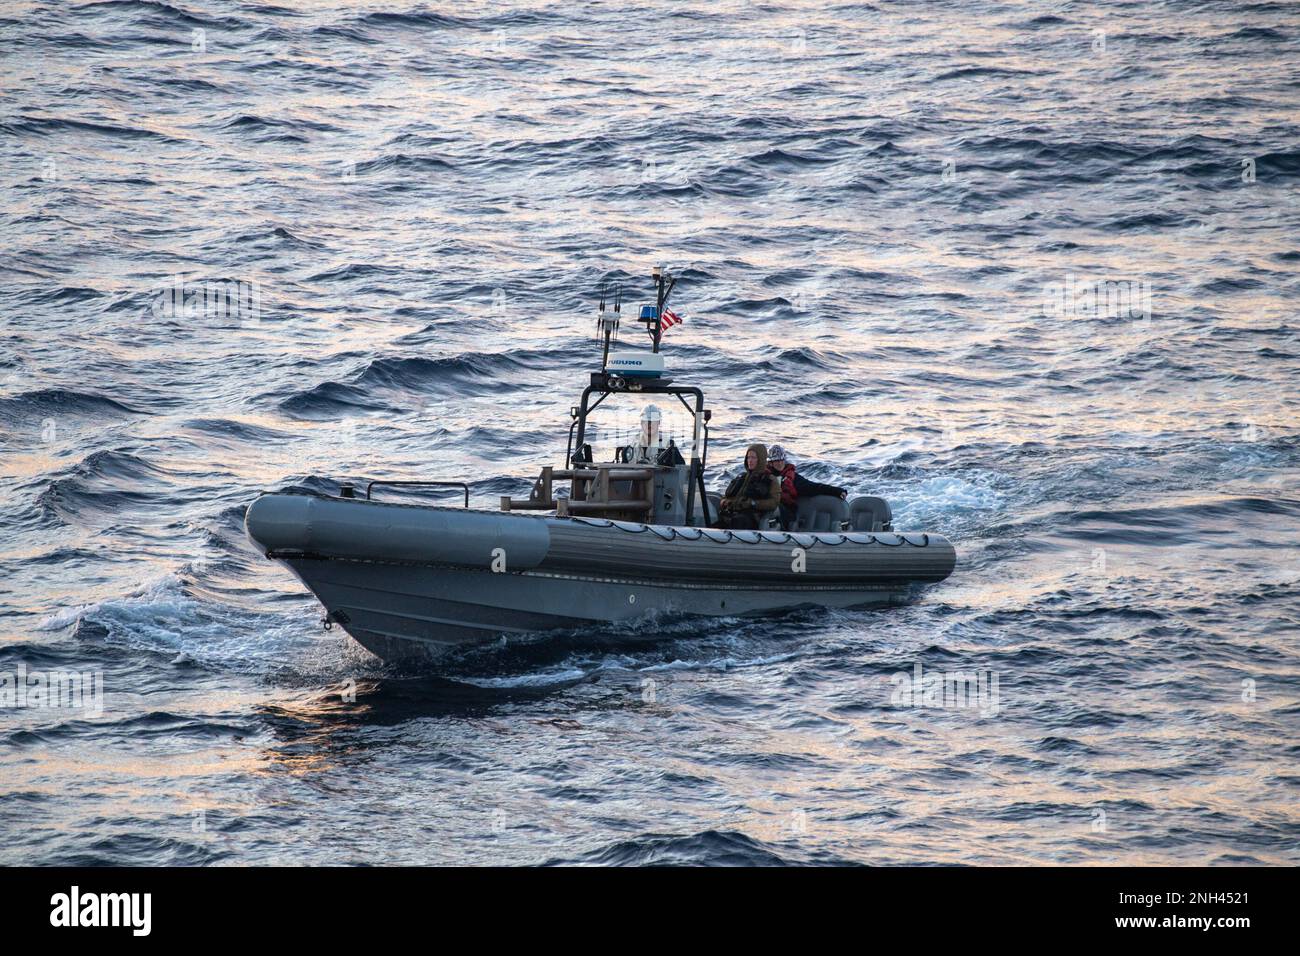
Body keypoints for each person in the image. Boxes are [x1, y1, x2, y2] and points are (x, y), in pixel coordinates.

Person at [767, 444, 846, 531]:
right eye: (776, 461)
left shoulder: (793, 478)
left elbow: (814, 487)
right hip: (767, 508)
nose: (780, 463)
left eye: (782, 460)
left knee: (776, 507)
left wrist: (837, 491)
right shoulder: (764, 476)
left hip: (785, 513)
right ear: (770, 463)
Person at [715, 443, 780, 529]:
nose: (750, 460)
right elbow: (726, 496)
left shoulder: (770, 479)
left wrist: (753, 503)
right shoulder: (742, 477)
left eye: (753, 458)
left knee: (737, 521)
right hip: (733, 514)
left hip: (752, 518)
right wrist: (725, 502)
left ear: (760, 459)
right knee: (715, 524)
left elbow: (774, 502)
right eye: (748, 457)